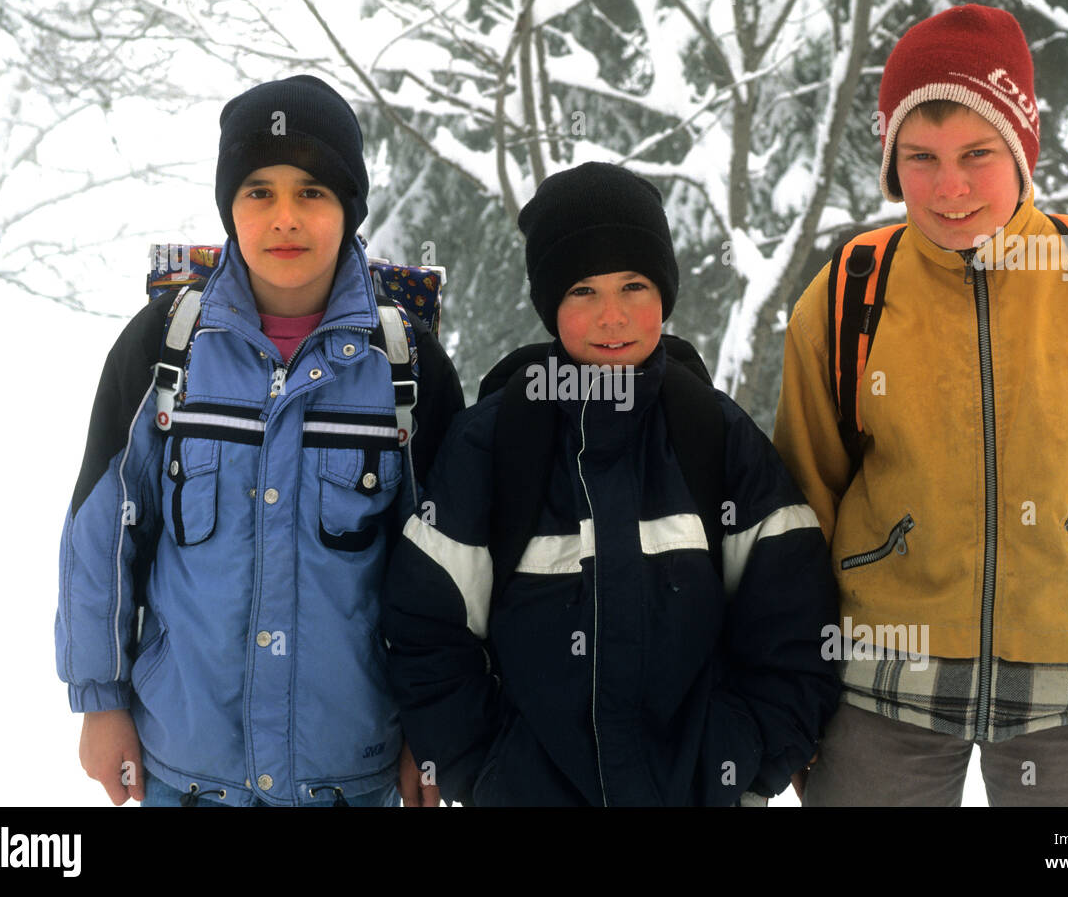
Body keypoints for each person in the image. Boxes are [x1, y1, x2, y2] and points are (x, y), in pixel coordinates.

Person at [773, 4, 1068, 805]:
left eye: (978, 153)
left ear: (1022, 152)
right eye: (921, 157)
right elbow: (797, 508)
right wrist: (783, 682)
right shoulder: (851, 291)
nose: (950, 186)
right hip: (882, 687)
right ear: (891, 163)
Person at [56, 75, 463, 807]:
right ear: (230, 209)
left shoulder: (407, 366)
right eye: (258, 192)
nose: (285, 217)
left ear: (348, 207)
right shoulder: (164, 346)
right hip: (184, 771)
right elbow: (102, 534)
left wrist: (431, 728)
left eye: (311, 191)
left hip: (348, 774)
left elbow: (449, 572)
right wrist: (100, 699)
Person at [382, 161, 840, 806]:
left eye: (634, 285)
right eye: (582, 291)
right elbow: (428, 628)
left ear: (665, 293)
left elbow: (791, 621)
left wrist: (742, 757)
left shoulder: (715, 434)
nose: (612, 316)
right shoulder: (491, 444)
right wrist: (485, 769)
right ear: (549, 304)